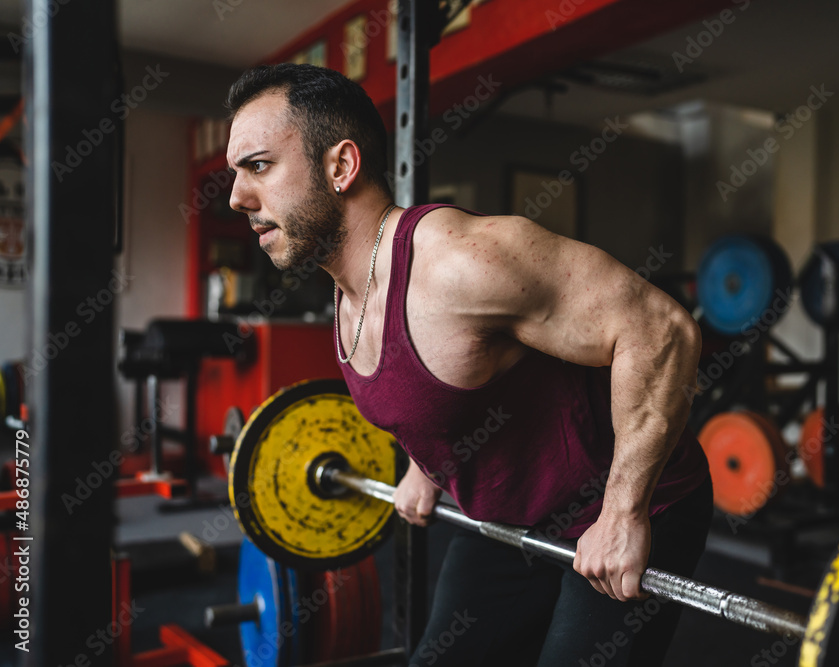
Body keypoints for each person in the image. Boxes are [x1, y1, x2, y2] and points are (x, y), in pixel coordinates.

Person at [225, 63, 712, 666]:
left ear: (341, 167)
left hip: (626, 506)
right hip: (512, 517)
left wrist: (623, 513)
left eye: (259, 166)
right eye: (235, 174)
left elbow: (660, 331)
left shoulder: (460, 263)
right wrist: (427, 468)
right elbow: (446, 380)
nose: (237, 197)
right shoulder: (348, 286)